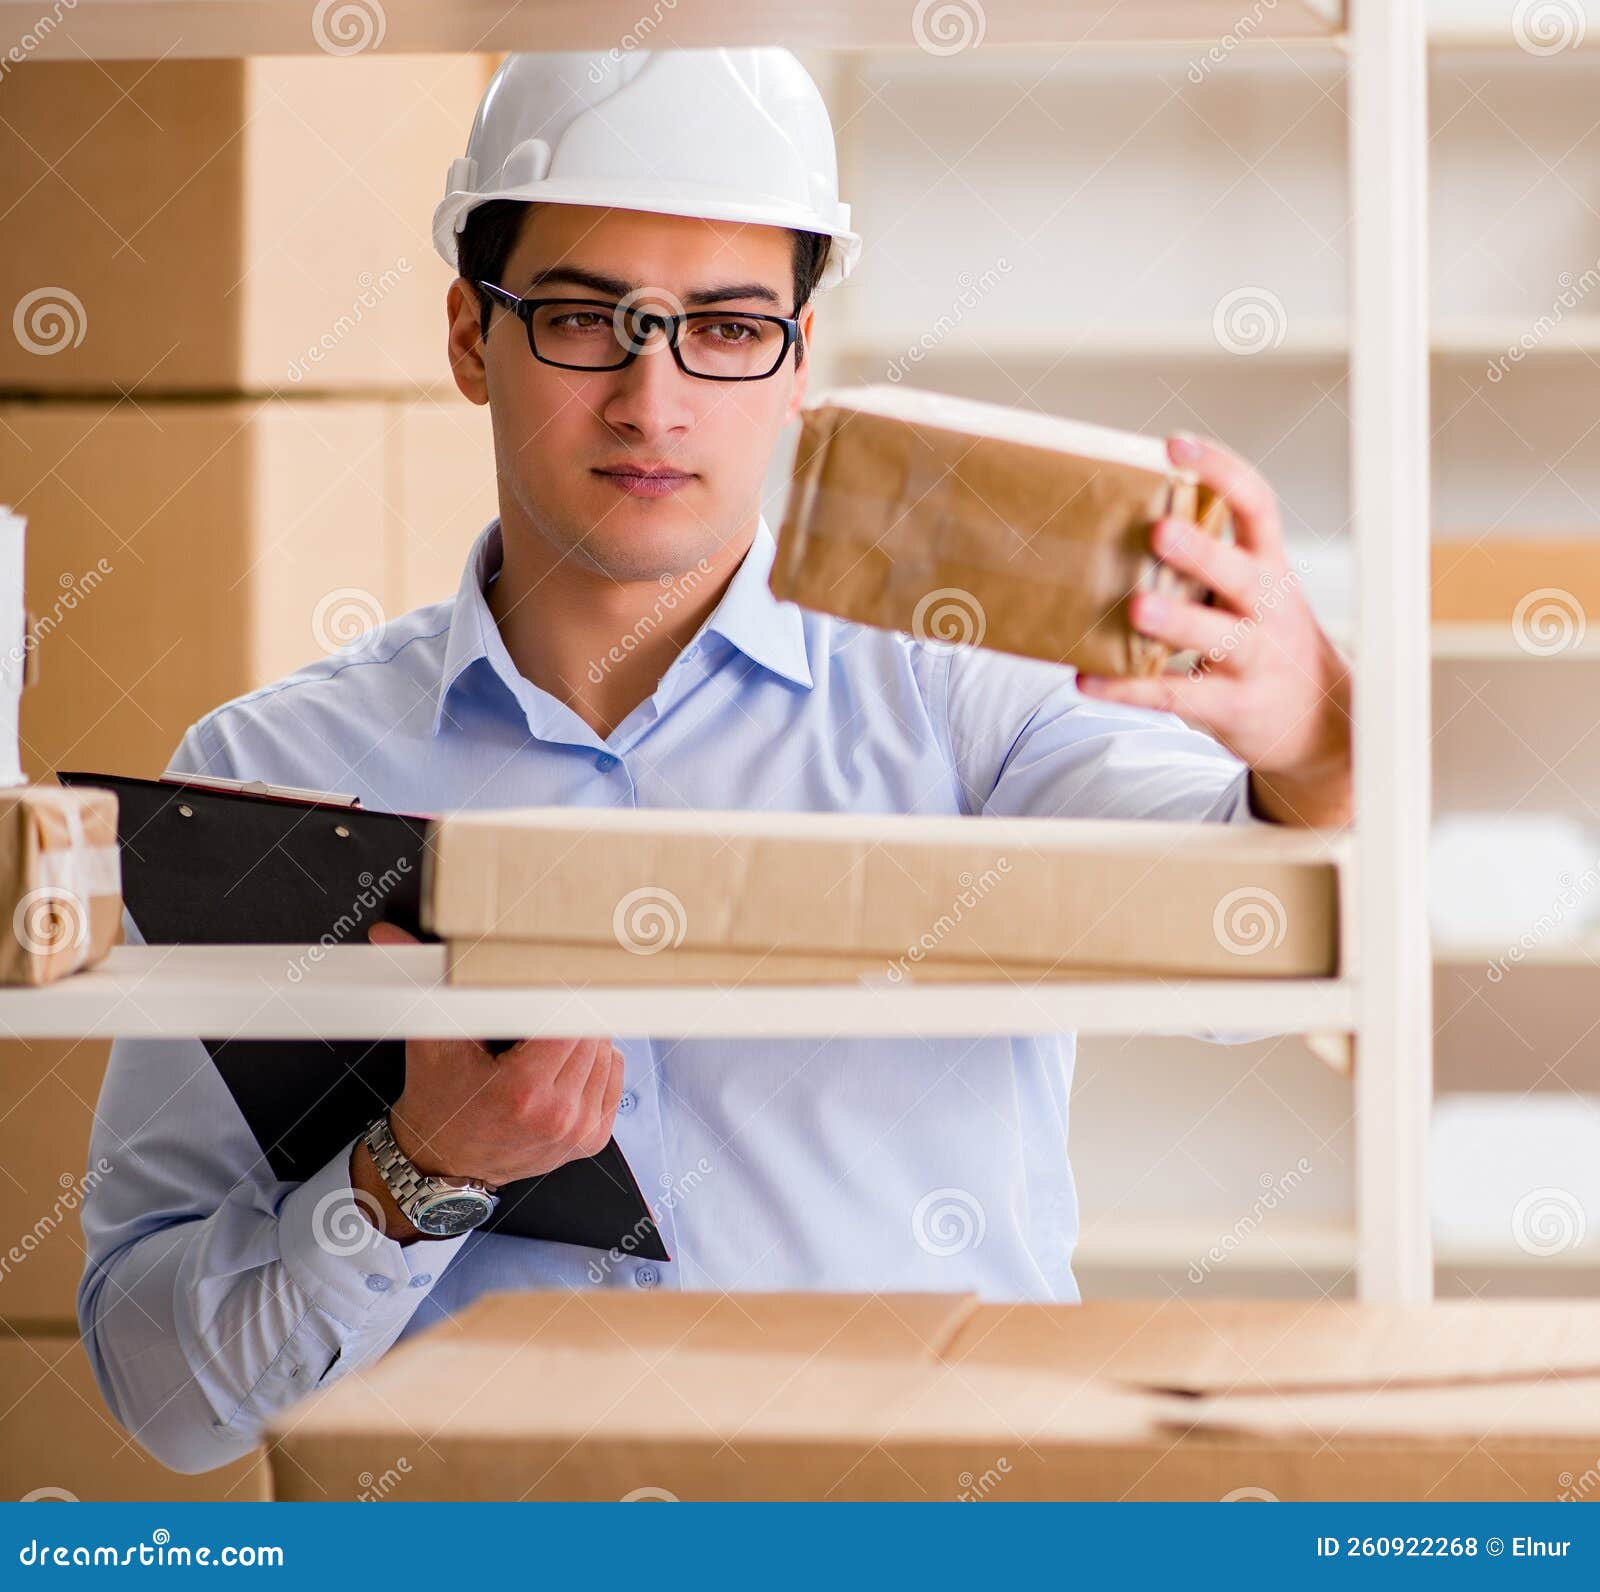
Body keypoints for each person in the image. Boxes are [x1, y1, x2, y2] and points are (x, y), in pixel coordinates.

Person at [78, 48, 1352, 1474]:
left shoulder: (970, 700)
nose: (653, 400)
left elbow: (1241, 958)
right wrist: (413, 1176)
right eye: (582, 319)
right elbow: (167, 1400)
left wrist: (1317, 744)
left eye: (728, 329)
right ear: (468, 335)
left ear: (800, 359)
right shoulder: (273, 776)